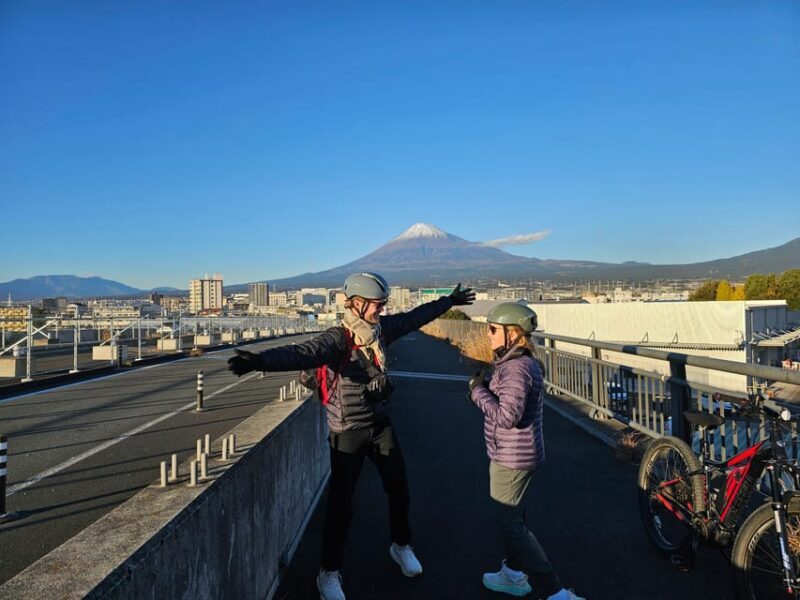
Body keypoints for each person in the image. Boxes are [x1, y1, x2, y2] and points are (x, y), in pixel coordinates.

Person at [227, 272, 474, 600]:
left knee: (399, 490)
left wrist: (449, 302)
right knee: (341, 506)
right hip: (347, 430)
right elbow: (304, 353)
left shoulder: (380, 331)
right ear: (356, 304)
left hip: (379, 423)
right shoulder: (338, 338)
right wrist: (261, 360)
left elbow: (415, 318)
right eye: (376, 304)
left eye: (383, 304)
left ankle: (401, 546)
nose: (381, 310)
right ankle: (328, 573)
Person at [468, 303, 584, 600]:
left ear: (512, 333)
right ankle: (513, 575)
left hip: (512, 457)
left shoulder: (517, 368)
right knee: (514, 520)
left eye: (493, 329)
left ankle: (555, 591)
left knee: (511, 525)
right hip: (514, 453)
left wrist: (477, 392)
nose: (489, 334)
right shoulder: (517, 363)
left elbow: (508, 417)